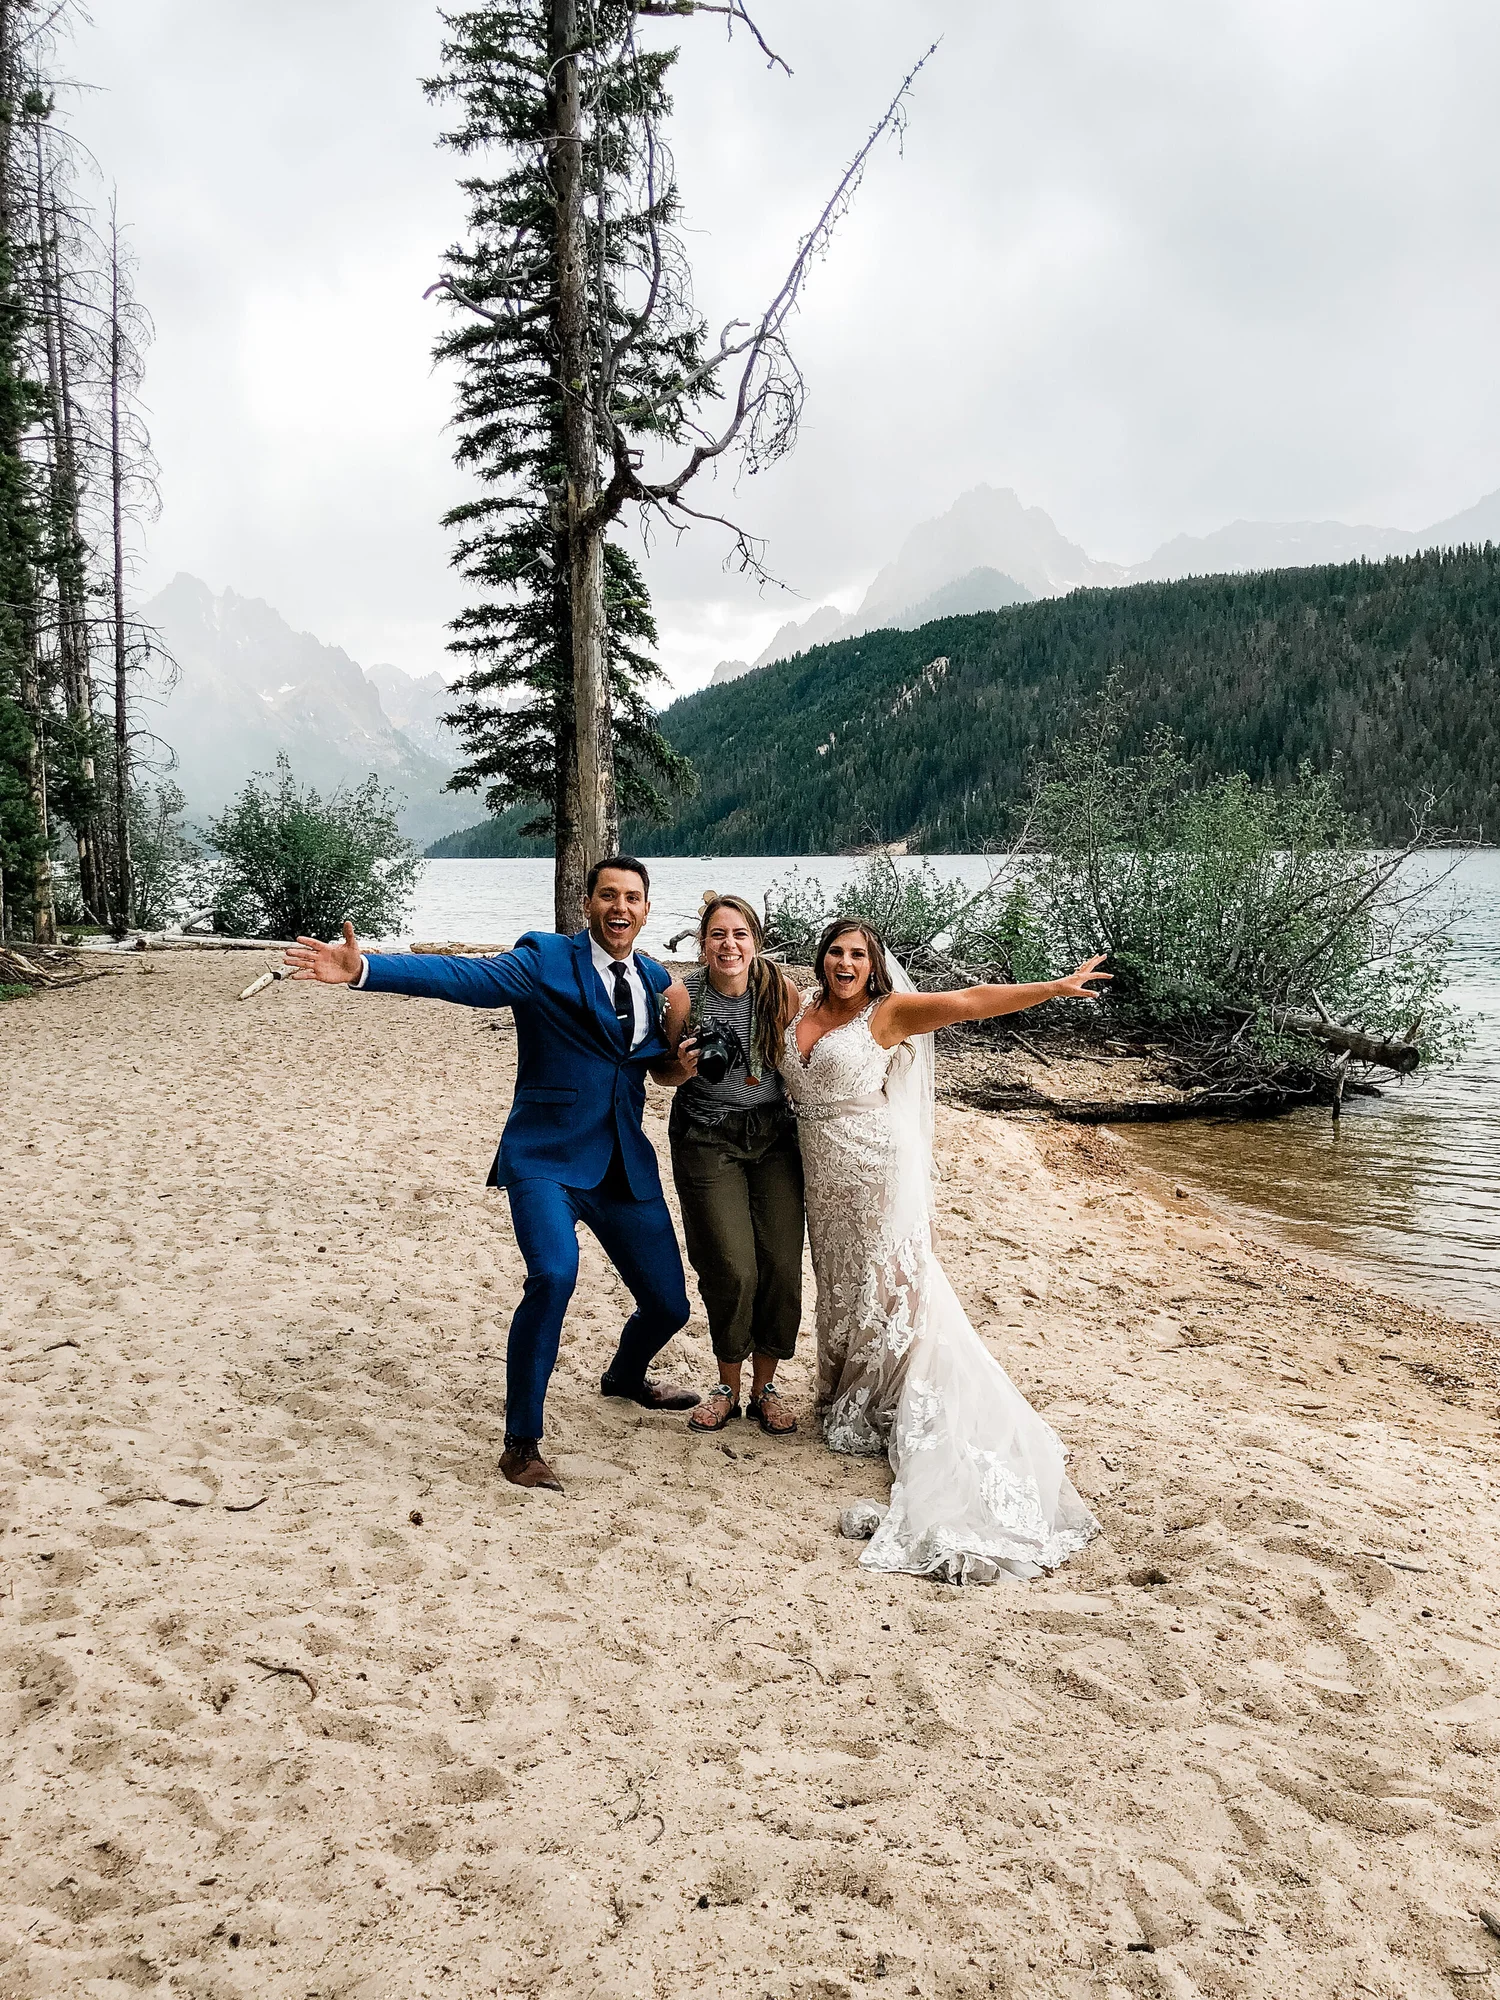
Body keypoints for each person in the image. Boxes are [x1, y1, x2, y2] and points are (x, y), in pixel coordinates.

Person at [282, 856, 700, 1496]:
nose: (621, 908)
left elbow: (657, 1068)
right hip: (544, 1159)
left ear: (647, 909)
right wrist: (364, 969)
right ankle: (520, 1444)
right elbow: (461, 976)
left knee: (670, 1306)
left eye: (633, 898)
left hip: (620, 1163)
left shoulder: (653, 979)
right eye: (608, 895)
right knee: (554, 1275)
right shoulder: (543, 960)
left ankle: (623, 1377)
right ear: (586, 903)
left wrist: (687, 1065)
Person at [780, 918, 1110, 1584]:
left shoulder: (889, 1013)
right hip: (821, 1175)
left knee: (888, 1287)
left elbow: (968, 1001)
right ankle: (845, 1389)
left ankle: (882, 1401)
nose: (845, 962)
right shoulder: (797, 1006)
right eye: (836, 952)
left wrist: (1053, 986)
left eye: (858, 955)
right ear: (821, 960)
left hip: (876, 1171)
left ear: (874, 967)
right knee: (839, 1282)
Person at [658, 895, 805, 1437]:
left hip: (772, 1135)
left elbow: (802, 1061)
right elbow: (661, 1076)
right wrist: (683, 1065)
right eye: (718, 935)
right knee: (731, 1266)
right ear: (703, 943)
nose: (729, 945)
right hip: (706, 1136)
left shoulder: (778, 990)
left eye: (739, 934)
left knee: (782, 1266)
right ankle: (727, 1386)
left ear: (756, 942)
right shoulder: (683, 994)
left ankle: (765, 1388)